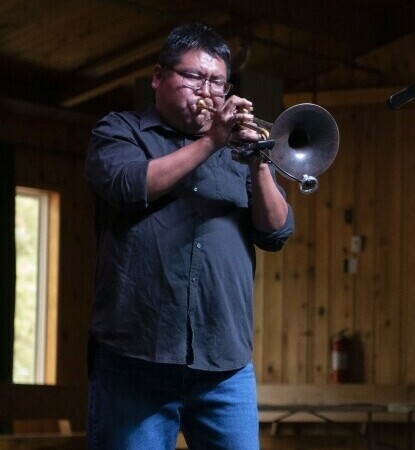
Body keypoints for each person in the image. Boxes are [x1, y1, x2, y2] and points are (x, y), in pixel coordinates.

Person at [83, 22, 294, 449]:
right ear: (158, 76)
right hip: (135, 357)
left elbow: (277, 231)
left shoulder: (240, 152)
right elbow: (130, 186)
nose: (208, 90)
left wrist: (258, 161)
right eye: (194, 77)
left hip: (224, 363)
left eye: (218, 81)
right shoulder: (120, 131)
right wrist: (212, 142)